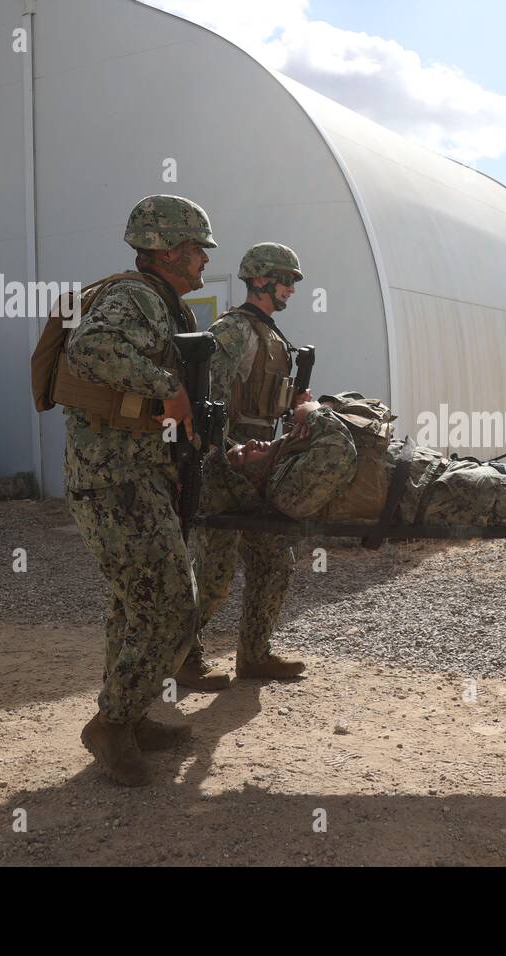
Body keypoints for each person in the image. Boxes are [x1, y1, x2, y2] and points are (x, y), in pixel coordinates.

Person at [62, 194, 217, 786]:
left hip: (138, 473)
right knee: (173, 607)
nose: (204, 259)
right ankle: (112, 722)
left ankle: (128, 715)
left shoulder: (166, 304)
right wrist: (165, 385)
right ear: (172, 250)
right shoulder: (135, 297)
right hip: (113, 477)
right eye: (199, 248)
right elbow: (90, 349)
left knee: (133, 607)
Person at [177, 244, 313, 689]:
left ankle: (254, 655)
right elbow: (205, 403)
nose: (292, 289)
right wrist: (227, 453)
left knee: (274, 561)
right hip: (223, 468)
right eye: (285, 280)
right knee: (215, 576)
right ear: (259, 281)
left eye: (293, 281)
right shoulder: (234, 330)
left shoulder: (271, 336)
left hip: (255, 464)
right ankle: (184, 660)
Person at [227, 393, 506, 530]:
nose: (250, 445)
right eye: (242, 454)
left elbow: (369, 412)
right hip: (434, 500)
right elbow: (340, 453)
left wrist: (321, 410)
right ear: (250, 477)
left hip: (437, 473)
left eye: (244, 444)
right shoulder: (286, 490)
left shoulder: (294, 452)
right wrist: (315, 415)